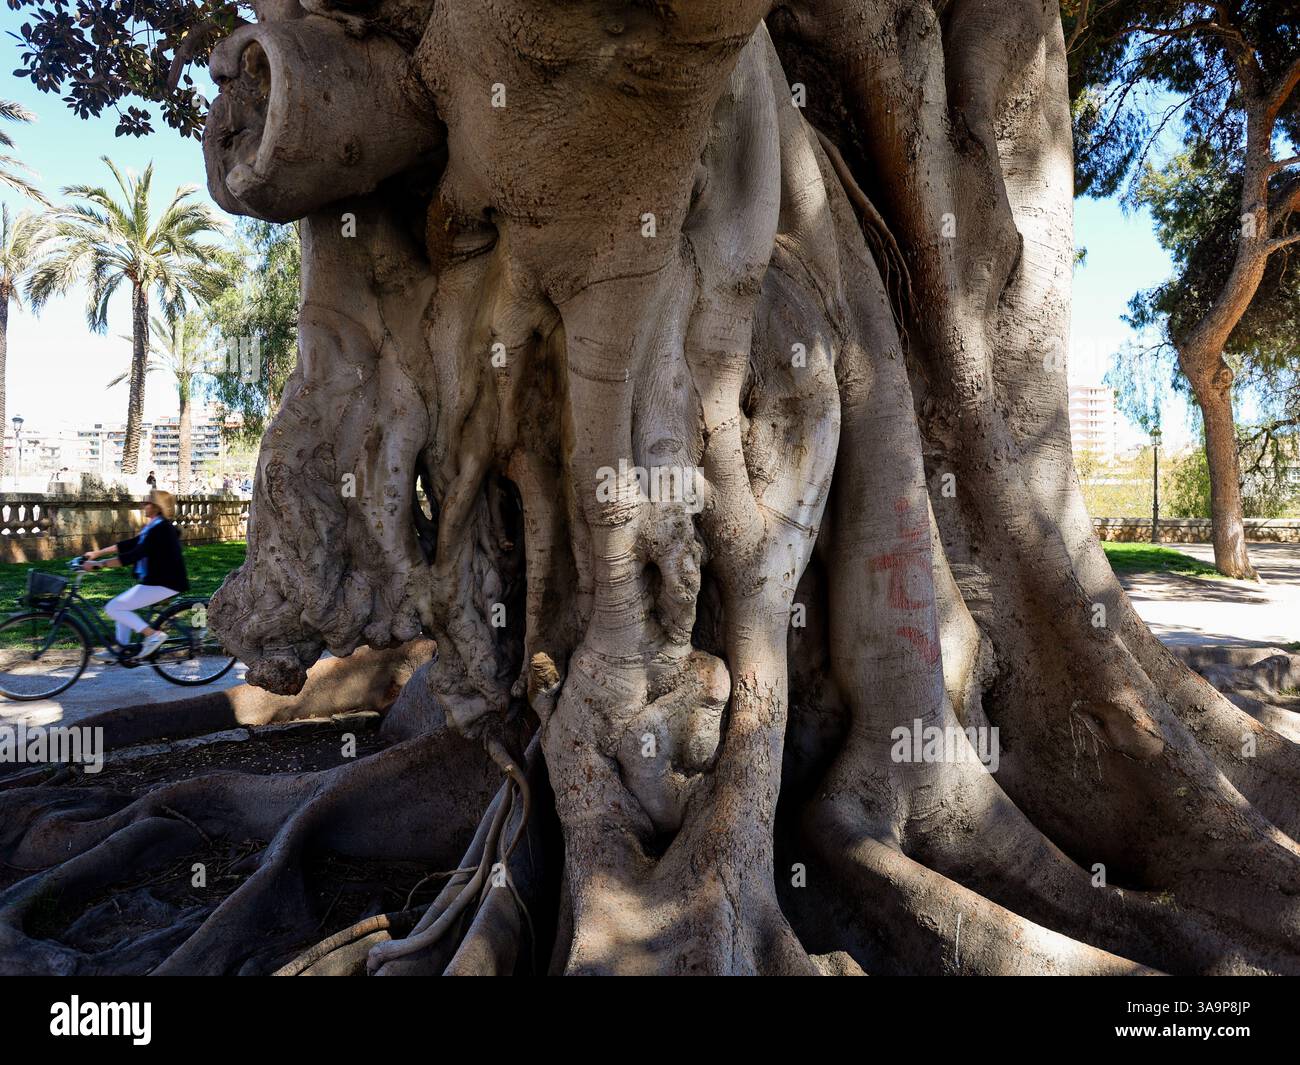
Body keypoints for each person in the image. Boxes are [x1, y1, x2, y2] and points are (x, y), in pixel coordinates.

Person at [82, 490, 190, 659]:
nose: (143, 506)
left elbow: (133, 555)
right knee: (122, 607)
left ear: (156, 507)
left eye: (147, 503)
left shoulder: (161, 529)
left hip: (166, 582)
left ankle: (153, 635)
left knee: (114, 607)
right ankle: (121, 649)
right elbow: (129, 544)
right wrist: (98, 553)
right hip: (155, 581)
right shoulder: (154, 526)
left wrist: (98, 565)